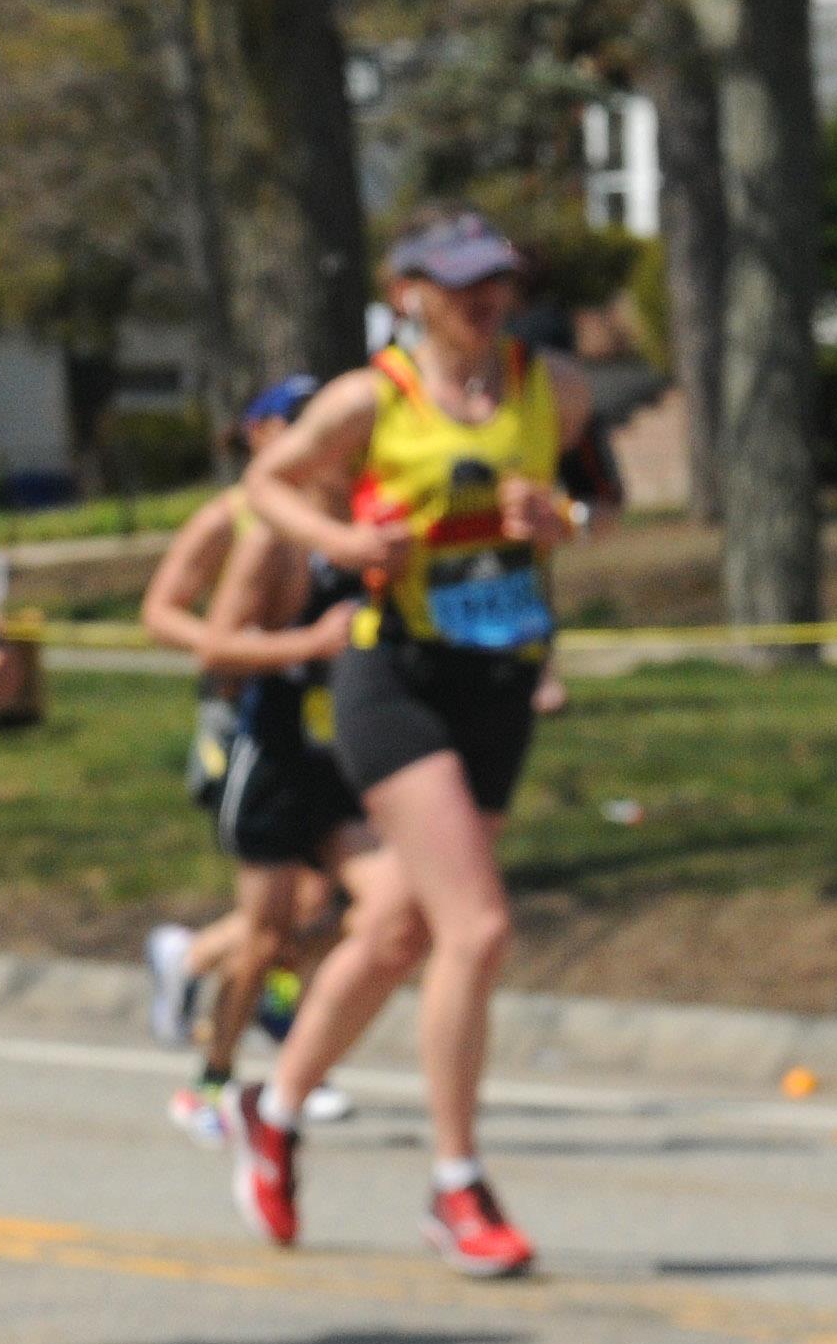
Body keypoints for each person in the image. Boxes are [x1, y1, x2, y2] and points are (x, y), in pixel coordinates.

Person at [224, 209, 596, 1272]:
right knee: (475, 928)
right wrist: (345, 539)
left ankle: (276, 1109)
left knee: (400, 929)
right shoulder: (370, 395)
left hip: (501, 676)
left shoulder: (549, 385)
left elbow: (595, 498)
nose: (486, 299)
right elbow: (266, 483)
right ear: (414, 291)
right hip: (394, 677)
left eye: (499, 280)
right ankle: (456, 1184)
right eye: (463, 282)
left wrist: (559, 517)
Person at [138, 377, 369, 1135]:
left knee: (358, 907)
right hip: (252, 729)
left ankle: (245, 1005)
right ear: (269, 435)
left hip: (337, 741)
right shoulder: (250, 524)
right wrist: (304, 647)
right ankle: (214, 1078)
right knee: (274, 922)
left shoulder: (361, 516)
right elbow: (188, 627)